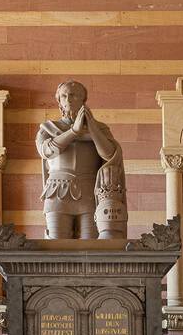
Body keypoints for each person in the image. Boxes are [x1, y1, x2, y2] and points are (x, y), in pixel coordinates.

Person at [36, 80, 124, 238]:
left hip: (89, 193)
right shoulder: (48, 128)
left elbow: (110, 154)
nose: (68, 99)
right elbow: (47, 151)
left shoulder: (100, 128)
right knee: (56, 249)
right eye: (63, 96)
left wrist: (92, 128)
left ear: (83, 100)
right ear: (59, 101)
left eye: (73, 95)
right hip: (57, 192)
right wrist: (74, 132)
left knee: (90, 249)